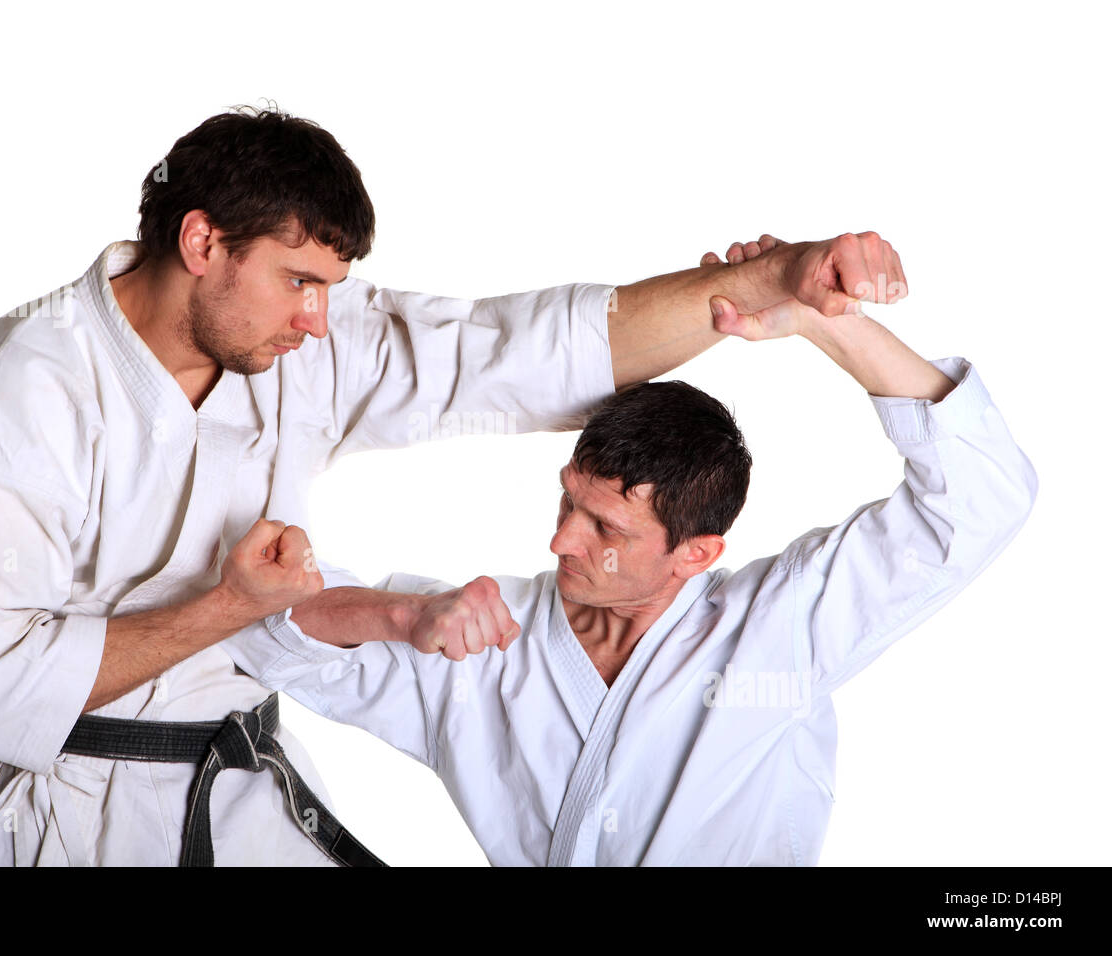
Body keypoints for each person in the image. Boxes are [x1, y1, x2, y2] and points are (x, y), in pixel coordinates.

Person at [0, 103, 912, 866]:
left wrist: (768, 283)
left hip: (236, 786)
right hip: (65, 819)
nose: (319, 322)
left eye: (330, 290)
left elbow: (514, 353)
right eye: (299, 283)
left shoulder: (293, 342)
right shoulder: (14, 394)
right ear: (202, 242)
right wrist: (226, 608)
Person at [226, 238, 1039, 865]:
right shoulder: (480, 633)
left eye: (605, 529)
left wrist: (831, 324)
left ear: (697, 553)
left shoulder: (781, 629)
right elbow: (264, 633)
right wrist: (400, 614)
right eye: (567, 501)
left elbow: (982, 495)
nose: (558, 540)